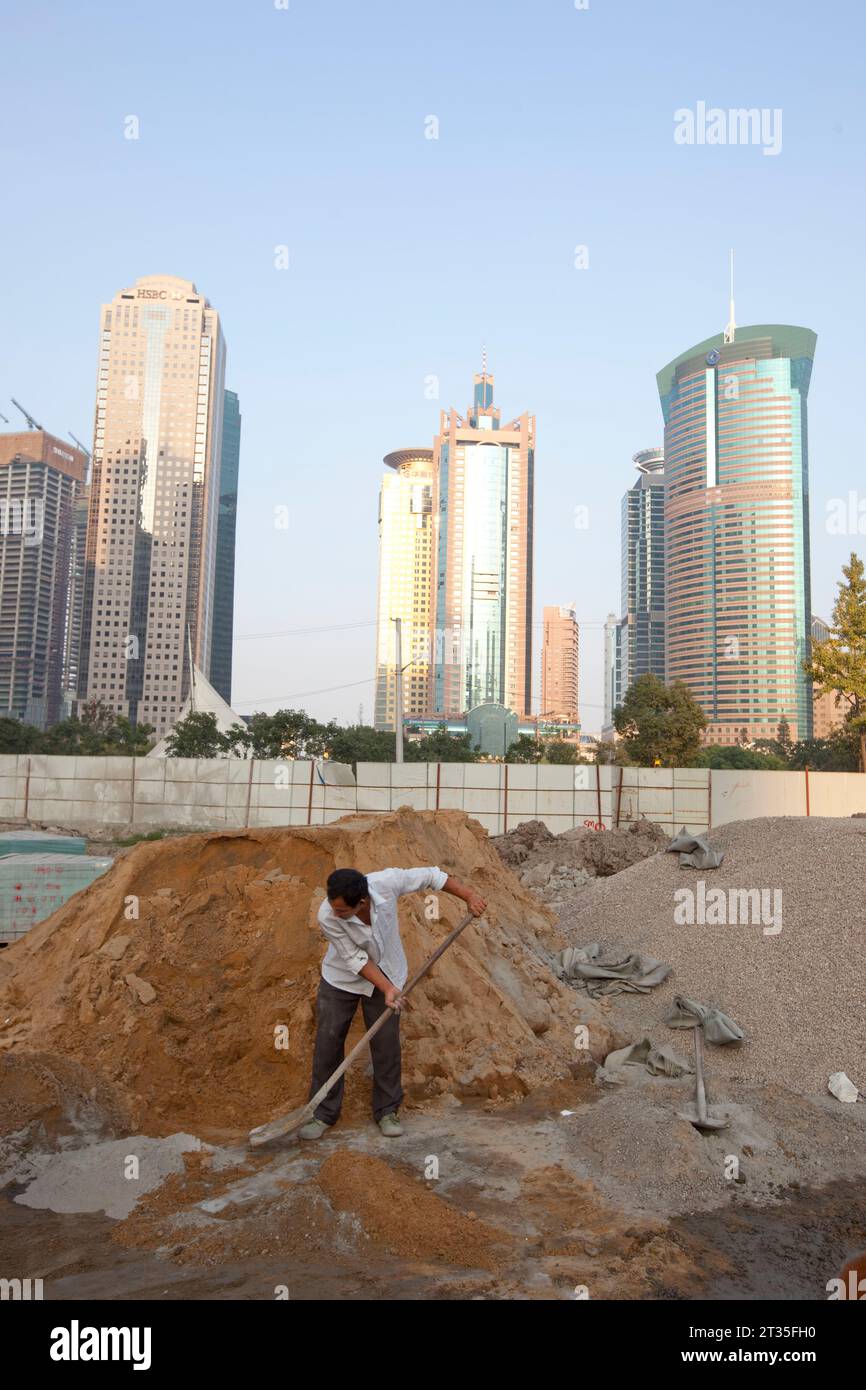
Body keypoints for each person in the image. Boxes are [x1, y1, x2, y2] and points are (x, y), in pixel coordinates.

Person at [300, 865, 487, 1140]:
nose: (334, 912)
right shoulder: (327, 915)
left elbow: (433, 876)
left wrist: (469, 896)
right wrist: (387, 988)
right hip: (341, 980)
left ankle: (387, 1111)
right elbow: (355, 959)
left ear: (361, 902)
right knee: (328, 1044)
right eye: (333, 906)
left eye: (342, 910)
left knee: (386, 1045)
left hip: (388, 969)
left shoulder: (386, 883)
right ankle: (322, 1113)